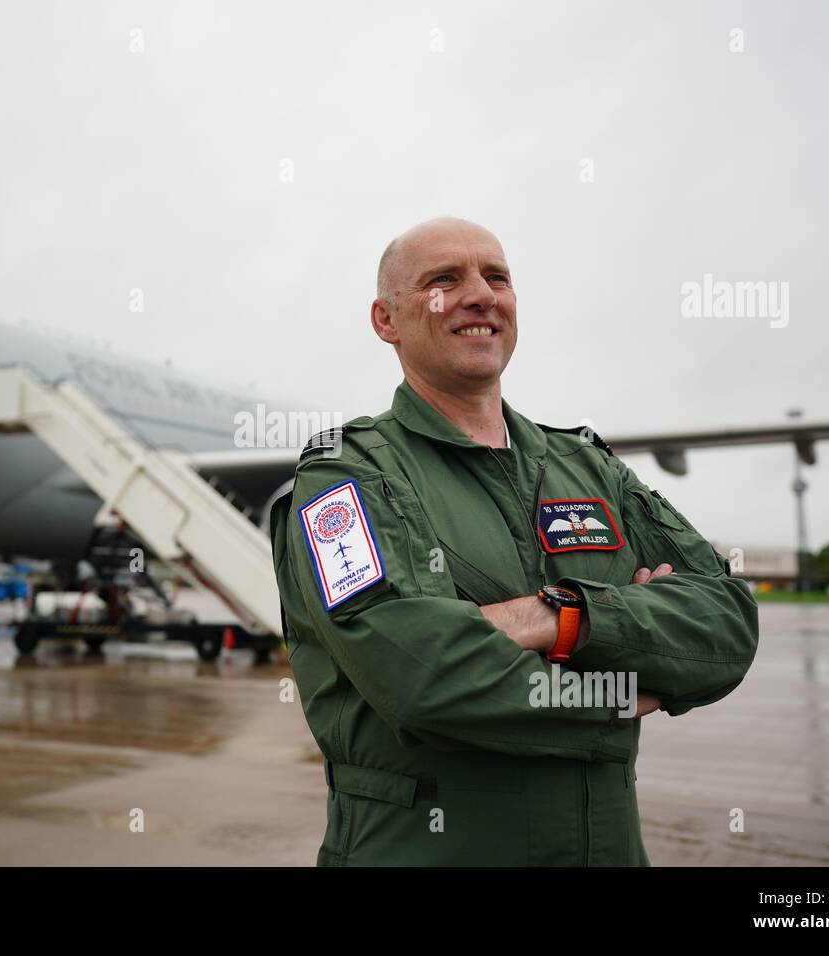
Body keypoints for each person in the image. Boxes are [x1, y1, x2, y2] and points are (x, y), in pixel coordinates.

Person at [268, 216, 759, 866]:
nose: (481, 295)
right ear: (386, 319)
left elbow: (726, 624)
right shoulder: (348, 474)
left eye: (496, 277)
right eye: (444, 280)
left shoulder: (589, 466)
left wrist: (555, 617)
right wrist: (621, 682)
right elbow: (423, 673)